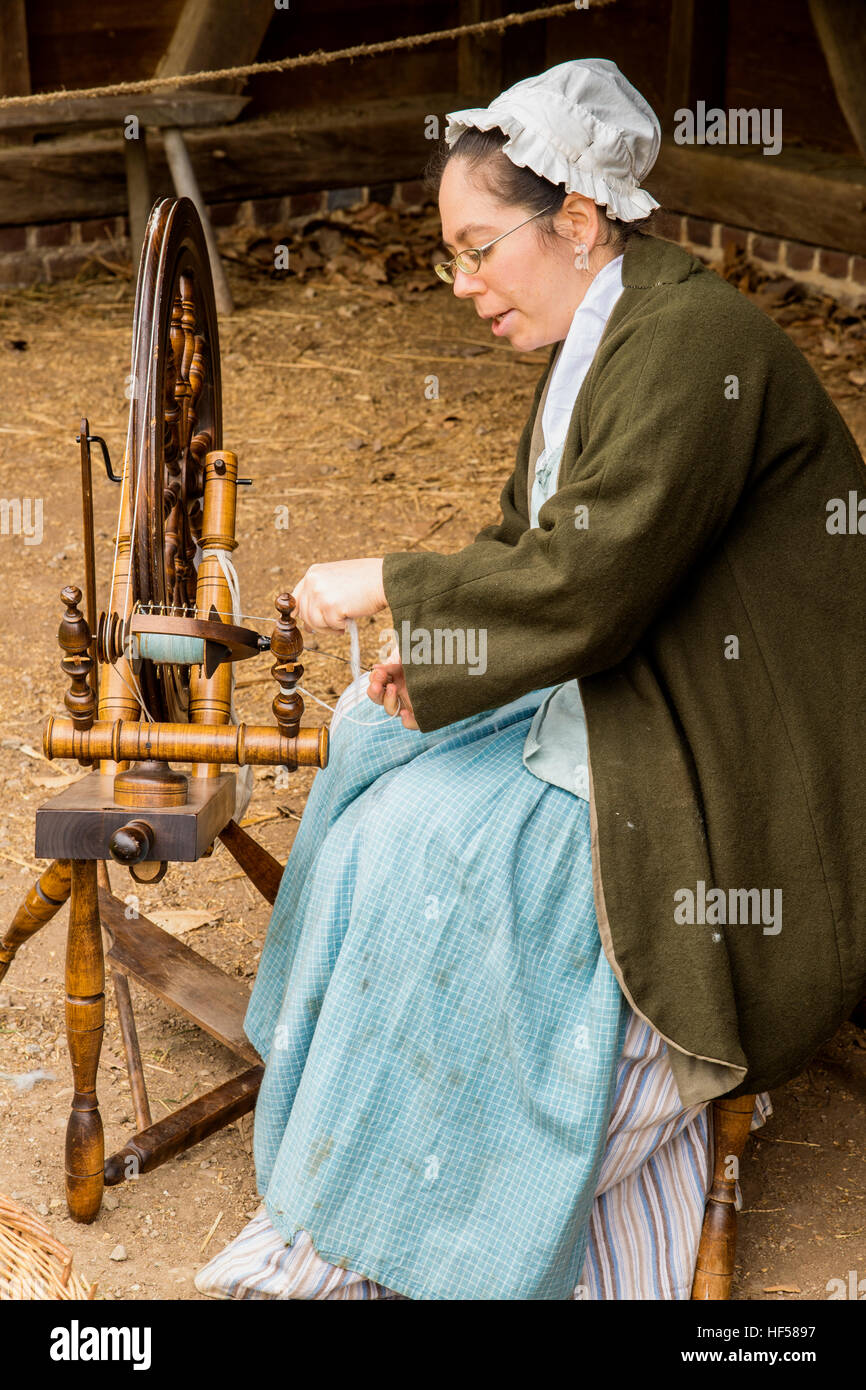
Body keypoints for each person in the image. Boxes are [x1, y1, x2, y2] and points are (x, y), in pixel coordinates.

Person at [196, 57, 866, 1301]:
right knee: (374, 741)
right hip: (650, 662)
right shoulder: (596, 334)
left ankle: (440, 1200)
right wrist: (433, 647)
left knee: (438, 847)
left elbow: (592, 582)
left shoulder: (691, 340)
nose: (458, 285)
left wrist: (388, 581)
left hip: (742, 735)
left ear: (574, 218)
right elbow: (529, 542)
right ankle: (352, 1160)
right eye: (446, 256)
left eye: (474, 248)